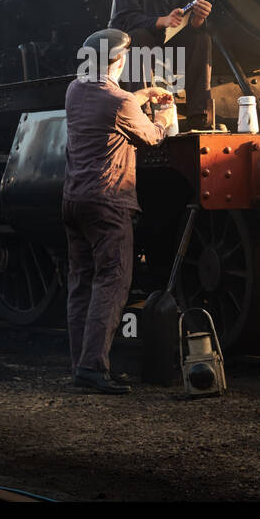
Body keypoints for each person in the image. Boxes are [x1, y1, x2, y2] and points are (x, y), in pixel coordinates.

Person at [64, 28, 173, 393]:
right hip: (108, 200)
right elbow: (151, 137)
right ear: (119, 60)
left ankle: (80, 364)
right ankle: (94, 368)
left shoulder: (75, 90)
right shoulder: (120, 102)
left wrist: (138, 96)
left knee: (81, 282)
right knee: (112, 280)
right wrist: (164, 118)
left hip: (74, 198)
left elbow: (112, 103)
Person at [110, 0, 214, 131]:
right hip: (139, 47)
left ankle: (199, 116)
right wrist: (162, 20)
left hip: (172, 48)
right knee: (138, 37)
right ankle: (143, 113)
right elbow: (125, 20)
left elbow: (192, 26)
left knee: (202, 39)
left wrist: (198, 20)